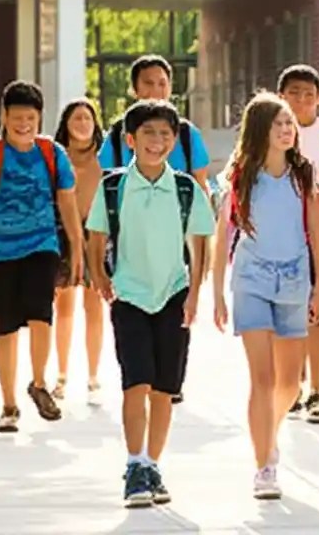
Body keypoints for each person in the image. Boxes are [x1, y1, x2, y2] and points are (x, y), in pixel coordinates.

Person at [86, 99, 215, 508]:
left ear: (174, 140)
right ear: (130, 140)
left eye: (164, 134)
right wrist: (100, 275)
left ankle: (153, 465)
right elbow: (96, 235)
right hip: (129, 295)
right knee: (135, 382)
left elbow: (200, 243)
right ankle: (134, 464)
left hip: (173, 294)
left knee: (163, 389)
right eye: (148, 133)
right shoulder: (114, 187)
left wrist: (195, 294)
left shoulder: (185, 189)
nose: (156, 141)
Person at [211, 91, 319, 500]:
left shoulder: (304, 175)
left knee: (290, 385)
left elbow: (318, 234)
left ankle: (268, 433)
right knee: (261, 379)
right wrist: (217, 293)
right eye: (278, 123)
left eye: (289, 123)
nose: (286, 130)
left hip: (295, 280)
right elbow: (223, 235)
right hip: (252, 280)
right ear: (260, 129)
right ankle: (264, 466)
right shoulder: (241, 175)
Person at [0, 80, 83, 433]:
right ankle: (9, 405)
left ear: (39, 118)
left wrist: (77, 248)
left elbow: (68, 204)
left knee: (42, 314)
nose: (24, 125)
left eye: (30, 118)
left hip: (42, 245)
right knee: (6, 329)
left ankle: (39, 384)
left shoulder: (53, 154)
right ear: (4, 117)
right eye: (17, 118)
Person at [98, 54, 212, 404]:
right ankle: (142, 378)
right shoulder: (119, 135)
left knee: (174, 318)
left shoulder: (187, 135)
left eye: (163, 83)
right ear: (134, 88)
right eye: (148, 83)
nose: (156, 89)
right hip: (132, 246)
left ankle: (167, 381)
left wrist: (202, 254)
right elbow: (105, 186)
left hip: (176, 239)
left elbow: (201, 185)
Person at [277, 64, 319, 424]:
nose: (301, 100)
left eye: (308, 94)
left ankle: (317, 390)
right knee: (288, 315)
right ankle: (292, 387)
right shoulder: (270, 135)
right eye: (293, 93)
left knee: (318, 312)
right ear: (280, 96)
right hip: (281, 238)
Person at [52, 97, 107, 405]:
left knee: (94, 305)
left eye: (88, 118)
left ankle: (94, 376)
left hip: (97, 235)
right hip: (63, 234)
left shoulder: (105, 157)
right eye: (77, 119)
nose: (83, 124)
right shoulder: (57, 158)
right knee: (64, 306)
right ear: (66, 125)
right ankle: (61, 375)